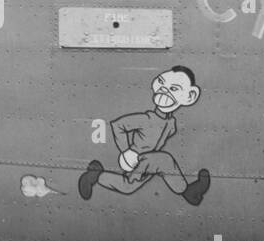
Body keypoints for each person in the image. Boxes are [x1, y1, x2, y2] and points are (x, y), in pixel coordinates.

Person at [78, 65, 211, 206]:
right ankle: (188, 191)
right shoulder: (147, 119)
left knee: (128, 186)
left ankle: (95, 175)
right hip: (138, 159)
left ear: (189, 96)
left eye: (173, 89)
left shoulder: (171, 124)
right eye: (161, 83)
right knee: (163, 161)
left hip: (149, 160)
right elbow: (118, 125)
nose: (164, 91)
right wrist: (126, 151)